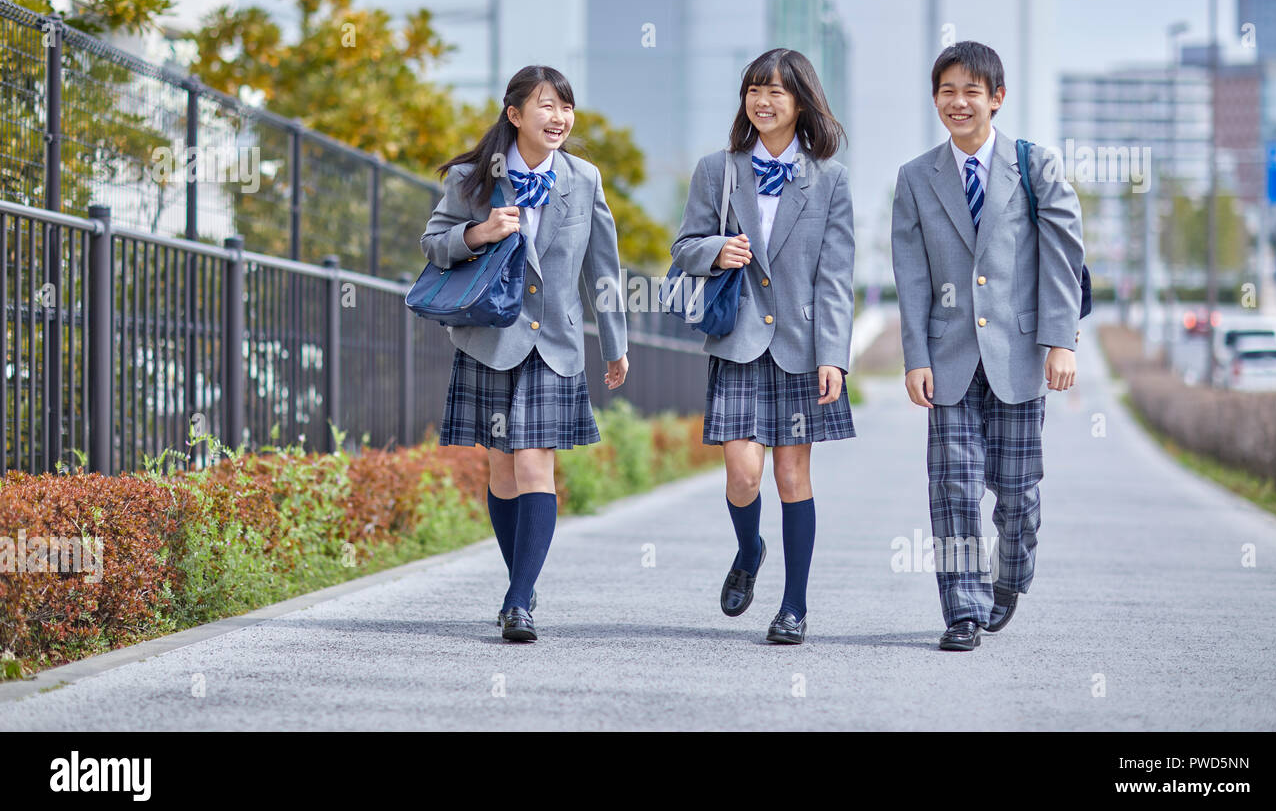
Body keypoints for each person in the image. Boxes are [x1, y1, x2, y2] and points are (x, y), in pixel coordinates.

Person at [421, 65, 629, 643]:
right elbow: (434, 245)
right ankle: (523, 582)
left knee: (536, 462)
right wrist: (479, 233)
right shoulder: (470, 179)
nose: (559, 118)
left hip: (556, 344)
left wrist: (615, 342)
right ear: (514, 115)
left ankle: (517, 601)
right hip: (491, 339)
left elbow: (604, 270)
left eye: (566, 107)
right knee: (502, 467)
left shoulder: (584, 179)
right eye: (546, 106)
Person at [890, 41, 1085, 651]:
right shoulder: (917, 177)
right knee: (953, 488)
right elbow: (911, 274)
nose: (959, 102)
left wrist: (1061, 341)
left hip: (1021, 355)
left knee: (1019, 492)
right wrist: (915, 356)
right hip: (948, 358)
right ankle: (963, 612)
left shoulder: (1035, 166)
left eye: (972, 91)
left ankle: (1012, 573)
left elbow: (1062, 259)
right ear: (935, 100)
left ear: (996, 99)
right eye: (947, 91)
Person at [670, 48, 855, 645]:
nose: (764, 100)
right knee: (743, 475)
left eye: (777, 90)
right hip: (739, 340)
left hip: (801, 345)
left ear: (801, 101)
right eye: (754, 89)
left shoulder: (830, 179)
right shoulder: (717, 169)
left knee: (793, 477)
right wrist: (715, 251)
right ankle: (749, 550)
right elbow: (684, 246)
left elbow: (836, 275)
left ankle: (794, 608)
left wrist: (835, 355)